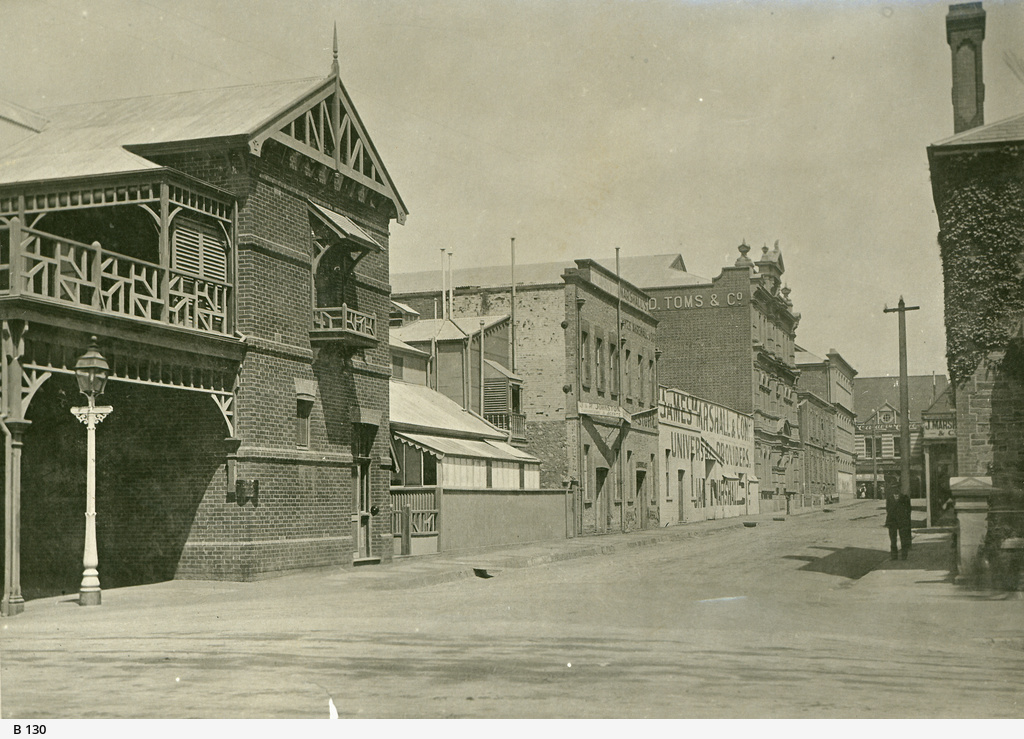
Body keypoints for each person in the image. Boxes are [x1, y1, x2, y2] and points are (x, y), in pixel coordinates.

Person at [885, 489, 912, 560]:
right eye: (894, 489)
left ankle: (904, 555)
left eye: (897, 489)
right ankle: (894, 556)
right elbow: (888, 509)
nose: (896, 491)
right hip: (892, 521)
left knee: (903, 539)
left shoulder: (905, 498)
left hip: (902, 521)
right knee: (893, 540)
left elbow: (908, 509)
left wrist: (905, 519)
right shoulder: (889, 498)